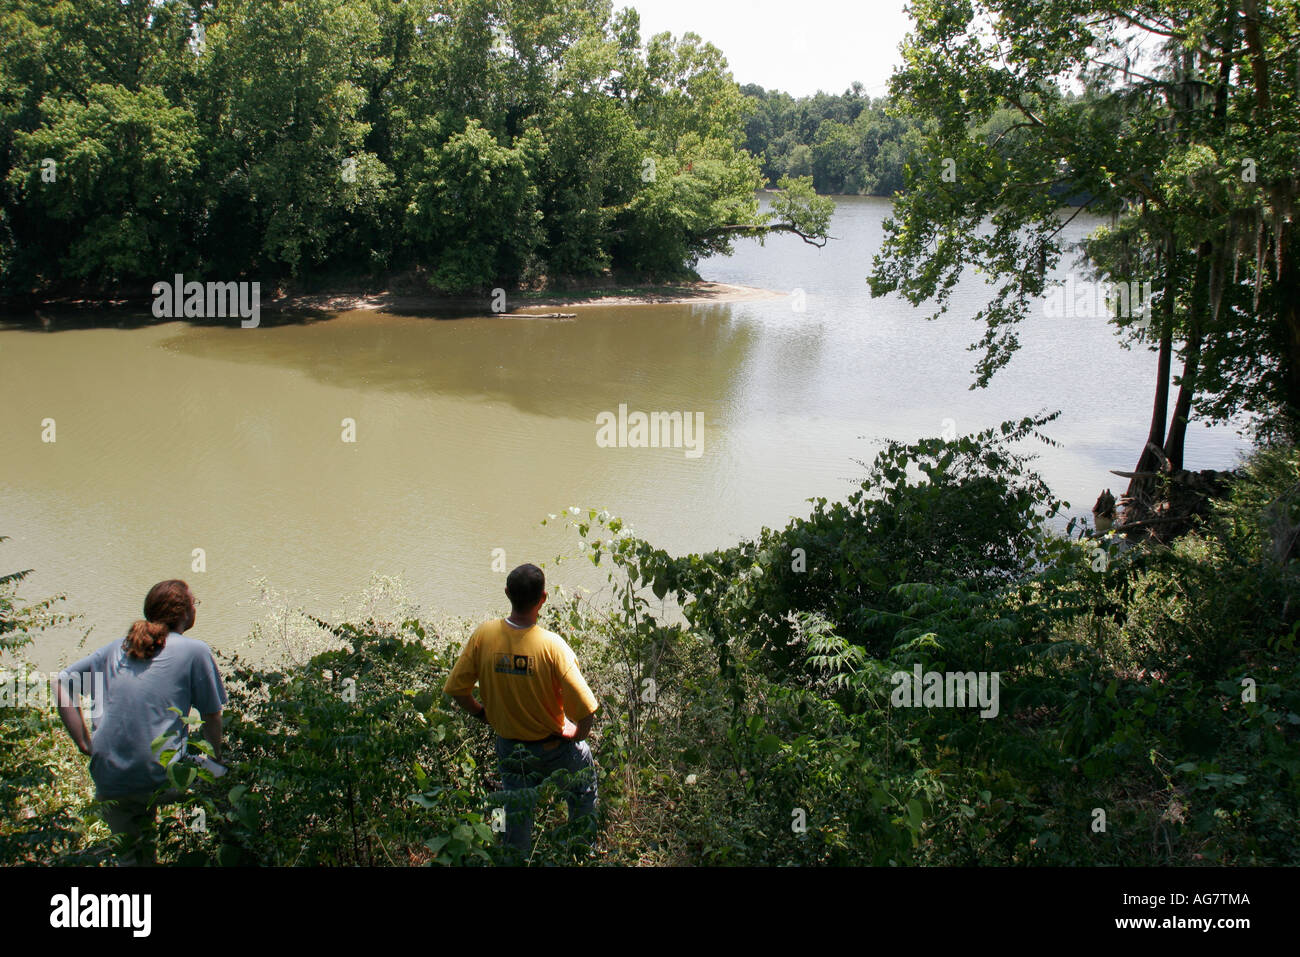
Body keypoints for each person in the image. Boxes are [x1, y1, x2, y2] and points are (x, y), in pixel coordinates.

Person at [56, 579, 227, 865]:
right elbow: (212, 716)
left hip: (110, 778)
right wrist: (217, 761)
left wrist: (85, 743)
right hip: (159, 778)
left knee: (133, 859)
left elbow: (61, 683)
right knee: (225, 784)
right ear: (184, 613)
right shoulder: (194, 651)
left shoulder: (115, 649)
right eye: (194, 604)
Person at [444, 563, 599, 859]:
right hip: (555, 747)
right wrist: (577, 733)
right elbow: (588, 707)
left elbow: (456, 690)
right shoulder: (553, 647)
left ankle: (515, 857)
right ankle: (581, 852)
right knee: (582, 787)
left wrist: (482, 714)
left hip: (510, 748)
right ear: (543, 598)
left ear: (507, 594)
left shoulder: (484, 636)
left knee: (515, 815)